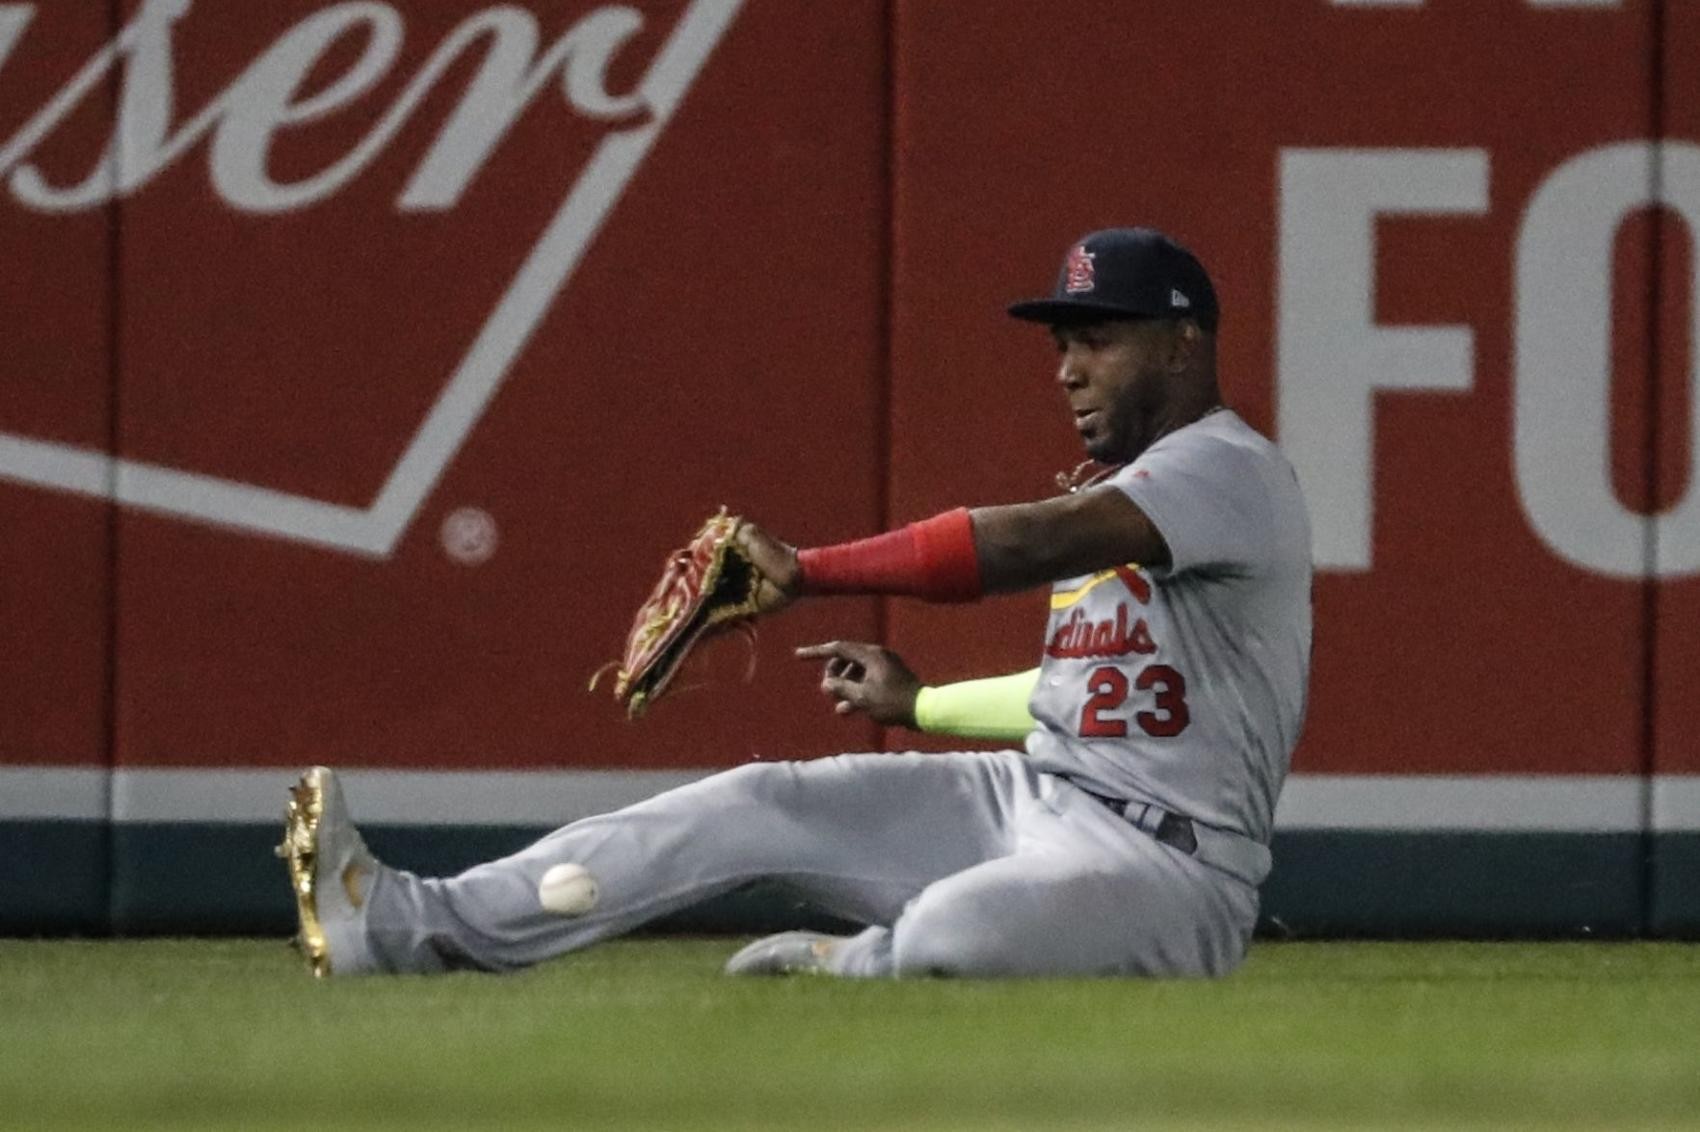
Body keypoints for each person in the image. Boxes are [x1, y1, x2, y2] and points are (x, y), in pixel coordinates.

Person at [278, 228, 1313, 979]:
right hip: (1035, 797)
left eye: (1099, 338)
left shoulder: (1225, 470)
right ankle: (408, 923)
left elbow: (1026, 544)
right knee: (753, 800)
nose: (1067, 367)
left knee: (954, 931)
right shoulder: (1138, 493)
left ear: (1184, 344)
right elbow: (1081, 693)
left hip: (1171, 866)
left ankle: (870, 966)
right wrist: (925, 707)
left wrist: (809, 568)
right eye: (1060, 342)